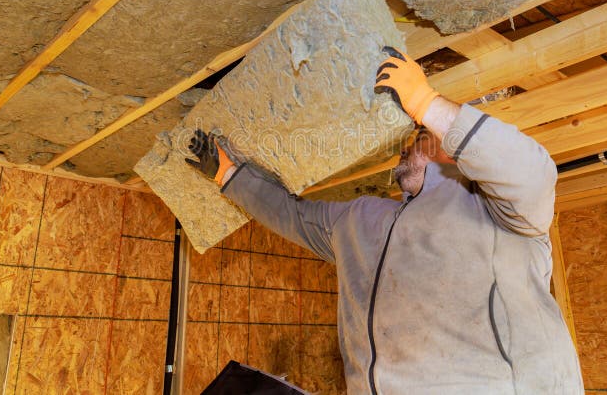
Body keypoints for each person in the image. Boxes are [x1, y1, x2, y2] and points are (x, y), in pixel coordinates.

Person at [187, 47, 583, 394]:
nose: (404, 149)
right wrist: (230, 177)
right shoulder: (361, 220)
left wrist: (426, 103)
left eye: (419, 137)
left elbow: (531, 173)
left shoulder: (502, 216)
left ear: (454, 154)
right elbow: (293, 217)